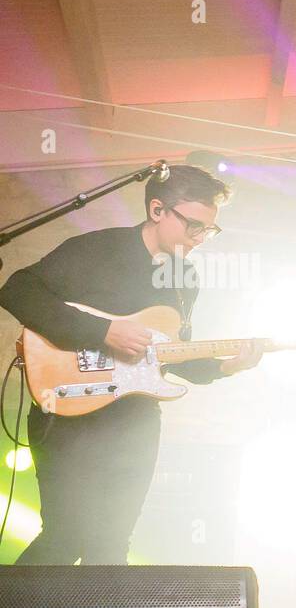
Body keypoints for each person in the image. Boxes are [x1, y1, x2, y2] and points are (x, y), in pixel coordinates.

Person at [0, 164, 263, 564]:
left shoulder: (184, 278)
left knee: (111, 542)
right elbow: (17, 290)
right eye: (193, 225)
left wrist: (226, 367)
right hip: (68, 409)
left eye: (208, 230)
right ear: (158, 210)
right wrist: (102, 331)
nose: (199, 239)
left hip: (133, 419)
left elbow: (169, 353)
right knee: (65, 536)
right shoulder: (94, 249)